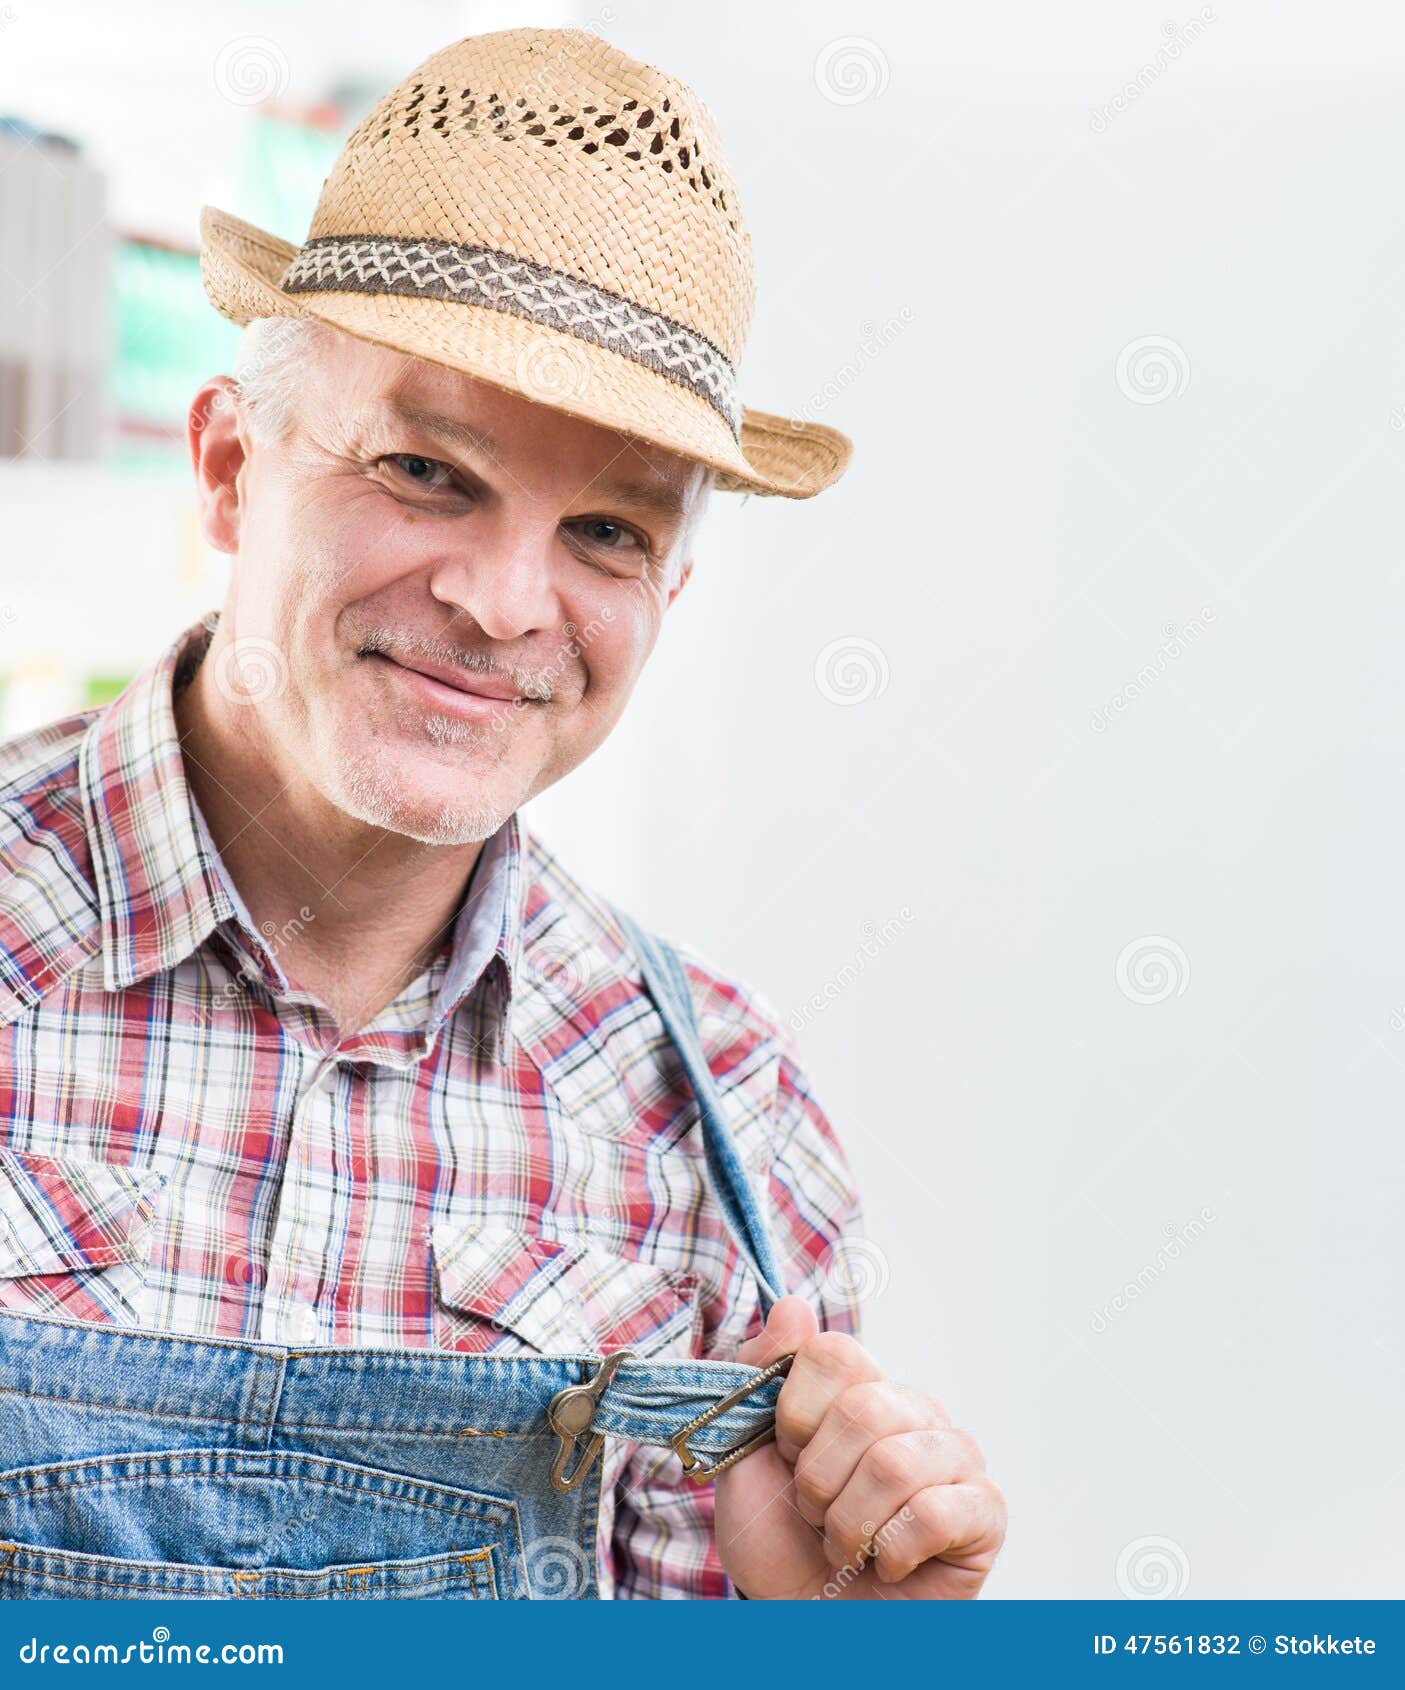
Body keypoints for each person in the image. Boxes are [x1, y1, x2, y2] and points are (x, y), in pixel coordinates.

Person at [0, 27, 1005, 1600]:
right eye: (424, 468)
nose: (500, 600)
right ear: (226, 466)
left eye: (603, 529)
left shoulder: (725, 1130)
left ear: (666, 592)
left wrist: (823, 1653)